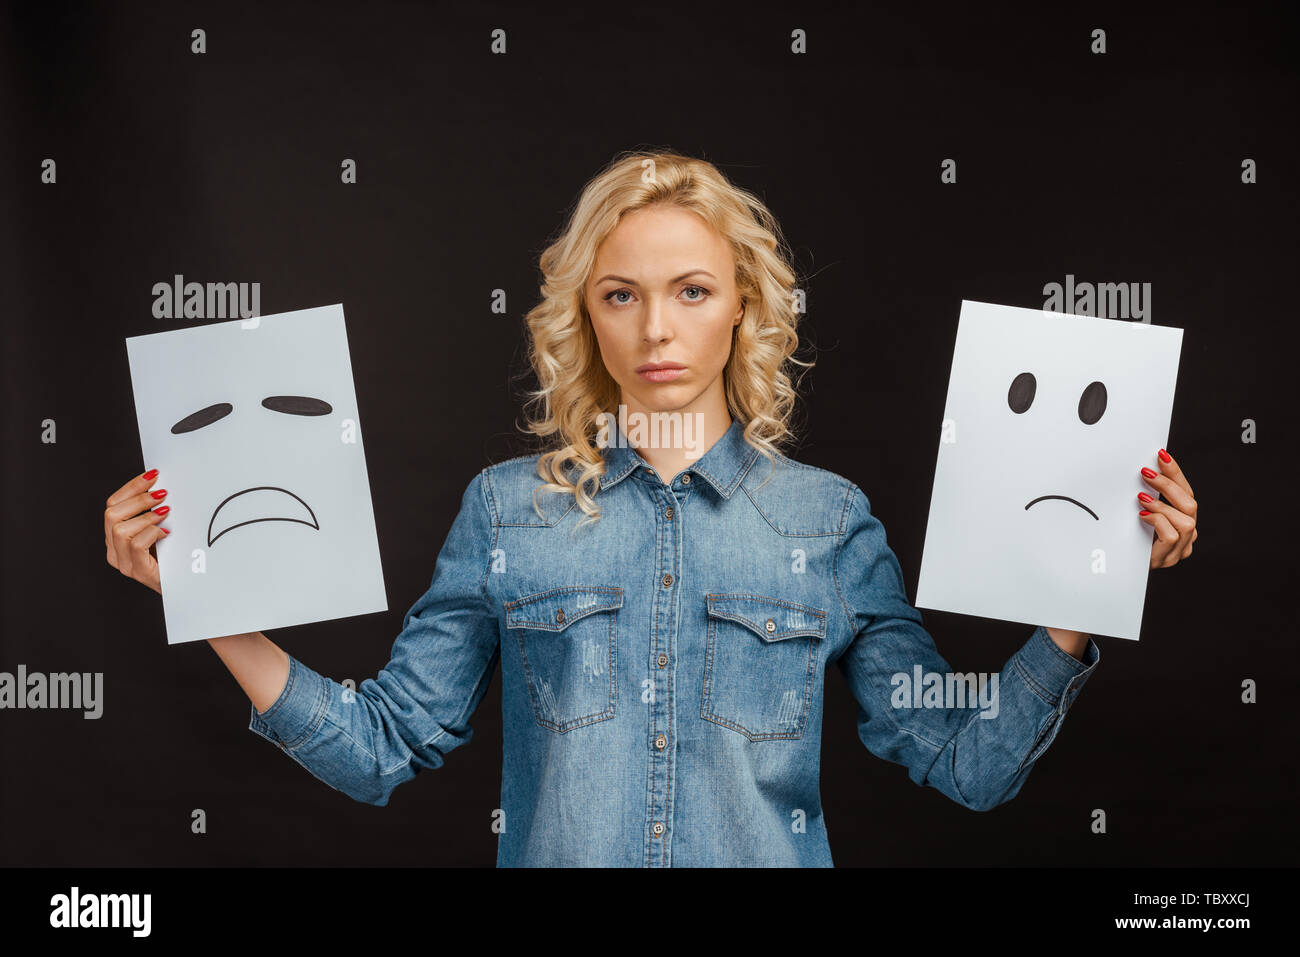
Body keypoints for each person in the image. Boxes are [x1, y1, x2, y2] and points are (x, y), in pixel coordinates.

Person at [103, 149, 1199, 866]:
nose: (656, 332)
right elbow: (380, 745)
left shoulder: (827, 524)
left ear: (743, 310)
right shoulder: (506, 513)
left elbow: (965, 766)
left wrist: (1086, 591)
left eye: (692, 292)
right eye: (620, 295)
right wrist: (207, 596)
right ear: (585, 316)